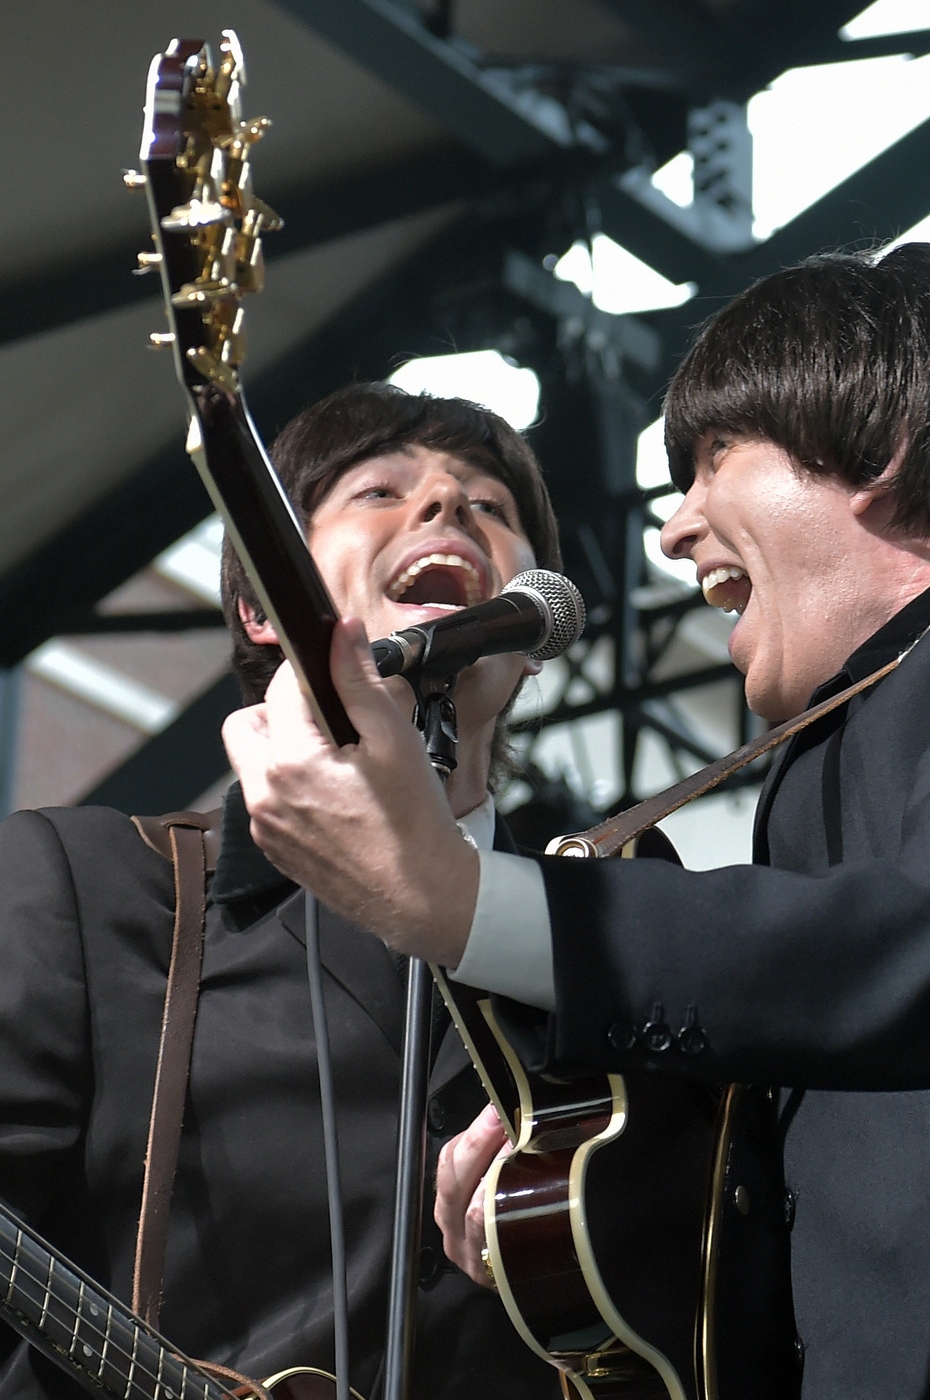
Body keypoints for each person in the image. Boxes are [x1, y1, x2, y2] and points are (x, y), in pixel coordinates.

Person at [225, 244, 930, 1400]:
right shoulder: (811, 773)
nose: (674, 531)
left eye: (708, 465)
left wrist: (459, 895)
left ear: (875, 449)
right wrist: (590, 1142)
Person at [0, 383, 562, 1400]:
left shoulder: (612, 945)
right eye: (380, 489)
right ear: (263, 609)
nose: (444, 504)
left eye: (493, 506)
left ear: (530, 639)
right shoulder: (80, 889)